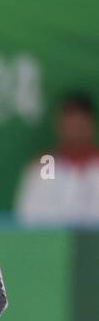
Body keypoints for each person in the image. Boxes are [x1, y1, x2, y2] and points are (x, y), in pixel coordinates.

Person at [15, 91, 99, 225]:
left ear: (92, 125)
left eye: (81, 123)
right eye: (71, 123)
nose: (76, 130)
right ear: (60, 125)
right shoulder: (43, 166)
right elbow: (27, 221)